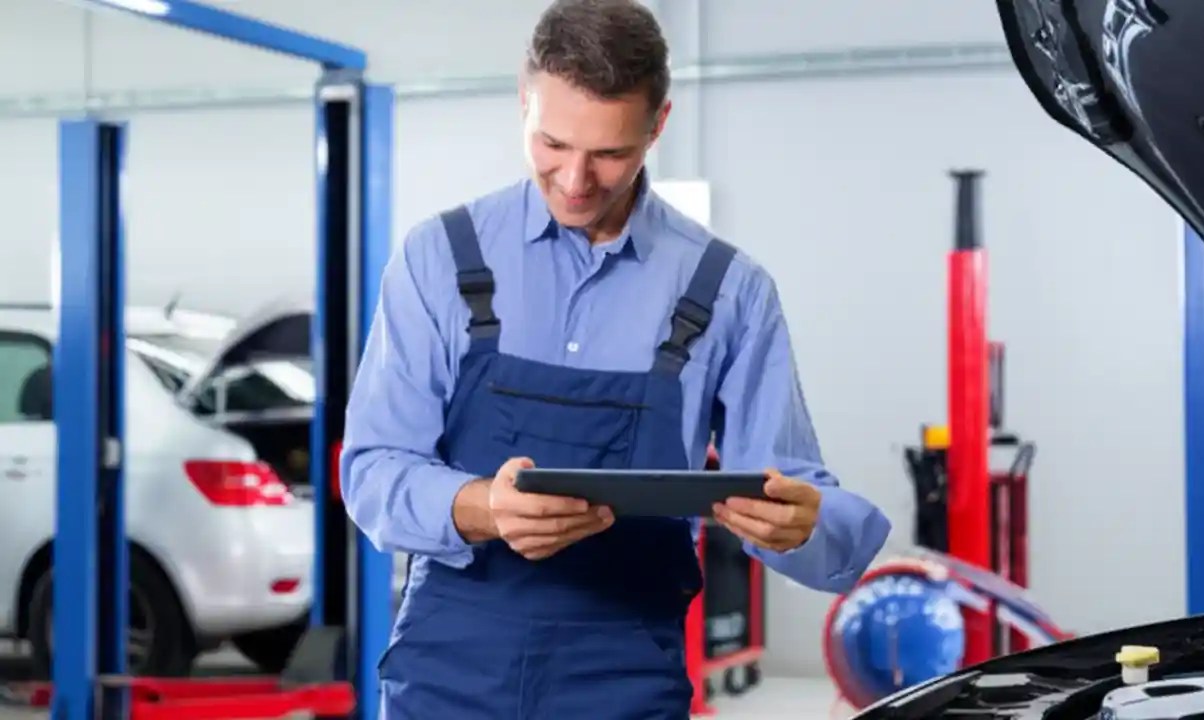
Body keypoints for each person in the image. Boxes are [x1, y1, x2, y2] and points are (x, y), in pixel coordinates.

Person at [339, 0, 891, 717]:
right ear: (523, 101)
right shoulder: (439, 259)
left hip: (625, 681)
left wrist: (806, 525)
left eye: (610, 154)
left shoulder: (727, 291)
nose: (575, 180)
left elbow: (803, 493)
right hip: (447, 678)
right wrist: (481, 507)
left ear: (657, 126)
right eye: (552, 143)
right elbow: (373, 470)